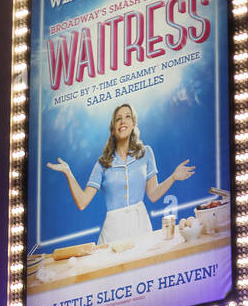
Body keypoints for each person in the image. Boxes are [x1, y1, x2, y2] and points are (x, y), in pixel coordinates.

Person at [47, 101, 195, 246]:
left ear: (134, 124)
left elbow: (153, 194)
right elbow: (82, 202)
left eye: (127, 117)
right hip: (113, 230)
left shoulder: (146, 153)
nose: (123, 121)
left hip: (140, 225)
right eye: (118, 119)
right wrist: (68, 173)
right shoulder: (102, 163)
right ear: (113, 129)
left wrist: (173, 177)